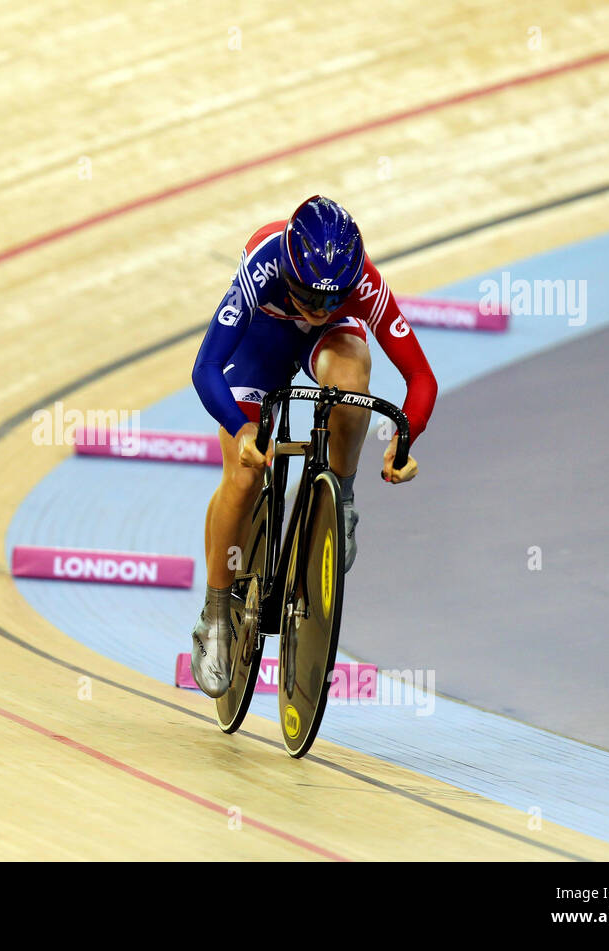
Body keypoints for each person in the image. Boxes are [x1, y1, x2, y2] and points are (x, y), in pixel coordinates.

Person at [188, 195, 438, 697]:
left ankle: (339, 496)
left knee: (352, 384)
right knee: (244, 472)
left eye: (333, 299)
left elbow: (421, 377)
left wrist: (404, 436)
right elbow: (205, 368)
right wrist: (241, 431)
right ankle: (216, 611)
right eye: (309, 296)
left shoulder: (362, 281)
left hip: (321, 348)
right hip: (260, 342)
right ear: (290, 269)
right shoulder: (263, 266)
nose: (320, 309)